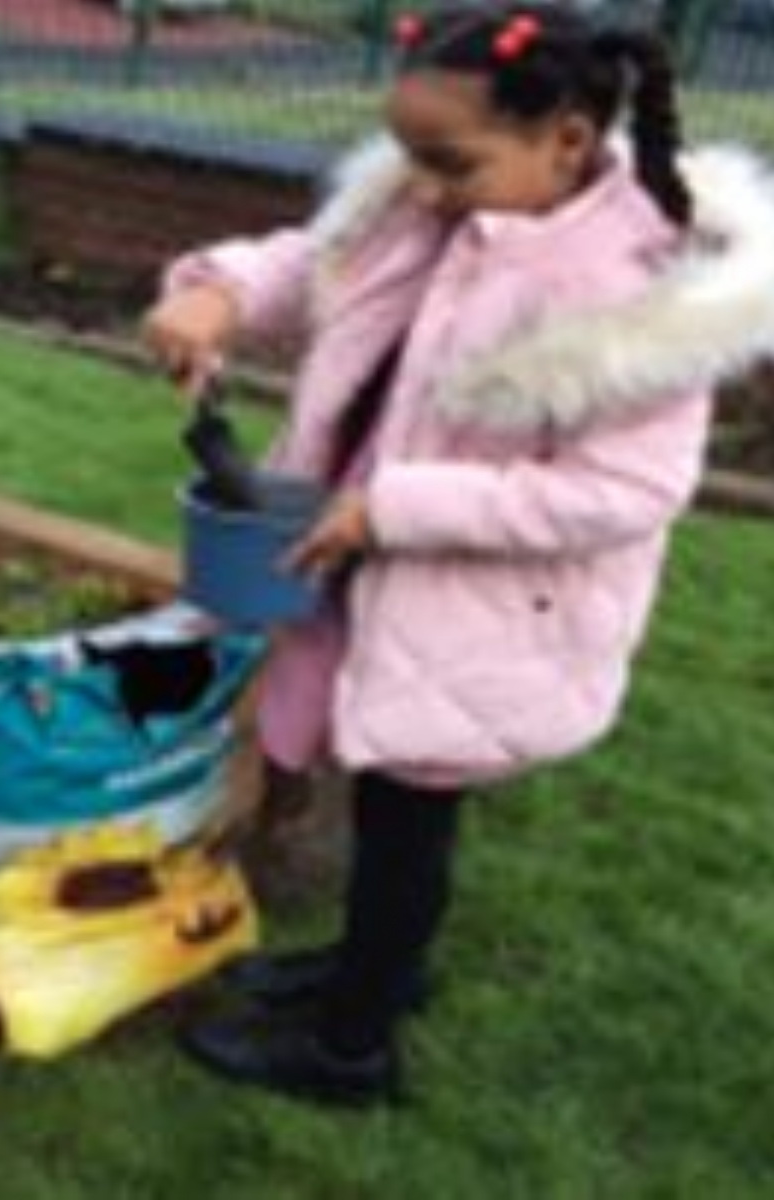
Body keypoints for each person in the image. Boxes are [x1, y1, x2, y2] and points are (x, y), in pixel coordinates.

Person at [142, 1, 774, 1108]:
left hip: (474, 612)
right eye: (411, 159)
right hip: (374, 561)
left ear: (568, 140)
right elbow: (319, 263)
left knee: (404, 828)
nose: (424, 186)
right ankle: (372, 970)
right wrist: (222, 289)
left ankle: (352, 1050)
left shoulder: (629, 295)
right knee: (390, 803)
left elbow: (625, 489)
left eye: (451, 162)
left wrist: (395, 509)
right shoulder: (448, 198)